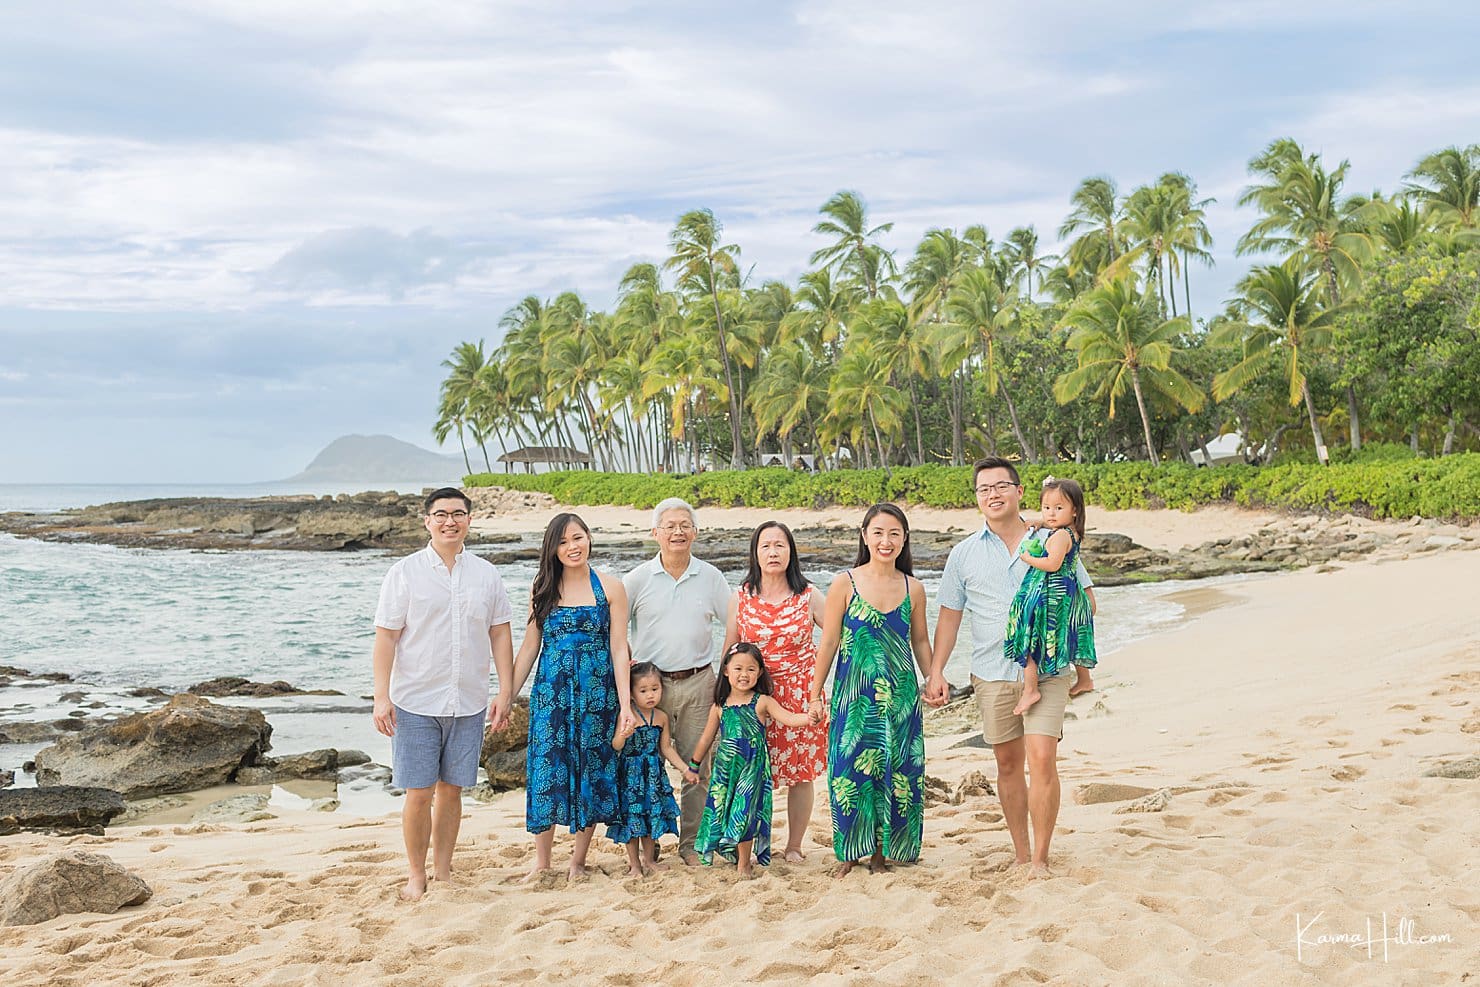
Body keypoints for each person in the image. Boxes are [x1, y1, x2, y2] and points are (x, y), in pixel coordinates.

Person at [925, 458, 1097, 879]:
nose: (993, 494)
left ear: (1020, 492)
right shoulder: (963, 553)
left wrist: (1064, 636)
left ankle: (1041, 857)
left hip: (1049, 670)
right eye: (984, 489)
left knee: (1042, 758)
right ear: (977, 497)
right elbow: (950, 616)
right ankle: (1021, 853)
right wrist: (936, 670)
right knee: (1006, 764)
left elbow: (1087, 596)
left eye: (1002, 486)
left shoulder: (1050, 537)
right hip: (990, 671)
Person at [372, 487, 514, 902]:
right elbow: (386, 638)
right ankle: (416, 874)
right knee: (418, 793)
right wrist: (381, 698)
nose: (449, 521)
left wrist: (504, 690)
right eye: (440, 514)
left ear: (469, 520)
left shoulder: (486, 574)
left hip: (468, 700)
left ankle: (444, 872)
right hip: (414, 700)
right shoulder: (405, 572)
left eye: (458, 513)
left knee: (452, 790)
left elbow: (500, 633)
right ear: (427, 521)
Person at [504, 513, 634, 881]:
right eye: (562, 542)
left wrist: (625, 706)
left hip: (598, 697)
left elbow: (619, 649)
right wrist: (507, 697)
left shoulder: (611, 588)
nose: (572, 547)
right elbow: (529, 648)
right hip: (551, 697)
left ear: (589, 538)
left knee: (593, 771)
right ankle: (542, 862)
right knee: (547, 771)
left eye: (577, 538)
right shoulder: (543, 589)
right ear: (553, 549)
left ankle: (577, 861)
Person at [810, 503, 932, 878]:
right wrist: (815, 693)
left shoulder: (914, 587)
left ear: (904, 539)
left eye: (894, 533)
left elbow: (921, 642)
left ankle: (881, 855)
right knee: (850, 770)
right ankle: (850, 852)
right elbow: (829, 642)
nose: (886, 541)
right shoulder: (845, 583)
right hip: (854, 695)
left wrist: (936, 679)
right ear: (864, 537)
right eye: (878, 532)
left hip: (901, 698)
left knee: (897, 772)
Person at [623, 497, 731, 865]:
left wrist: (725, 676)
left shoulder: (711, 576)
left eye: (685, 525)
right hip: (648, 688)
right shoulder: (637, 579)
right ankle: (645, 848)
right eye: (669, 525)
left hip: (700, 682)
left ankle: (692, 845)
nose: (678, 531)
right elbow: (612, 629)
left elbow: (734, 625)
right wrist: (625, 683)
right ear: (655, 533)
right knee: (642, 767)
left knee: (697, 766)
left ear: (696, 532)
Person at [721, 521, 827, 863]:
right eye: (765, 545)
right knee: (749, 769)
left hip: (800, 693)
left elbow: (836, 636)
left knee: (800, 773)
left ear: (791, 551)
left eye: (780, 545)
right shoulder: (741, 597)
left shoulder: (809, 595)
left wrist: (826, 684)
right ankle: (745, 847)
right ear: (755, 552)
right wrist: (722, 695)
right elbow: (730, 649)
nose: (773, 552)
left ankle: (794, 845)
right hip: (752, 696)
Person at [689, 642, 814, 877]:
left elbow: (788, 718)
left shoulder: (762, 702)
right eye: (738, 669)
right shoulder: (720, 706)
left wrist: (809, 718)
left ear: (759, 673)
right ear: (725, 671)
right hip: (726, 770)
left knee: (743, 811)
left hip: (751, 769)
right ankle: (736, 854)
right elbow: (706, 739)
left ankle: (744, 864)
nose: (744, 675)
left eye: (751, 669)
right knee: (722, 811)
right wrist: (694, 766)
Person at [1005, 477, 1098, 715]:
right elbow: (1055, 530)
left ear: (1074, 510)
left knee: (1029, 636)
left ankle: (1031, 689)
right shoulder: (1070, 531)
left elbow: (1052, 563)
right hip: (1068, 592)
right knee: (1073, 633)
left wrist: (1028, 559)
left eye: (1058, 508)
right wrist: (1042, 522)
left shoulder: (1059, 536)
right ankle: (1085, 680)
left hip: (1050, 595)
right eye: (1046, 508)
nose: (1051, 514)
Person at [608, 661, 700, 876]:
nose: (650, 695)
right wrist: (623, 734)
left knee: (651, 818)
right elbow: (616, 746)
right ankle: (634, 864)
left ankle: (649, 860)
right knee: (632, 819)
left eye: (655, 689)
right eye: (643, 691)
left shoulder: (661, 717)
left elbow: (666, 748)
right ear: (631, 693)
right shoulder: (626, 715)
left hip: (653, 775)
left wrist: (686, 769)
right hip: (630, 775)